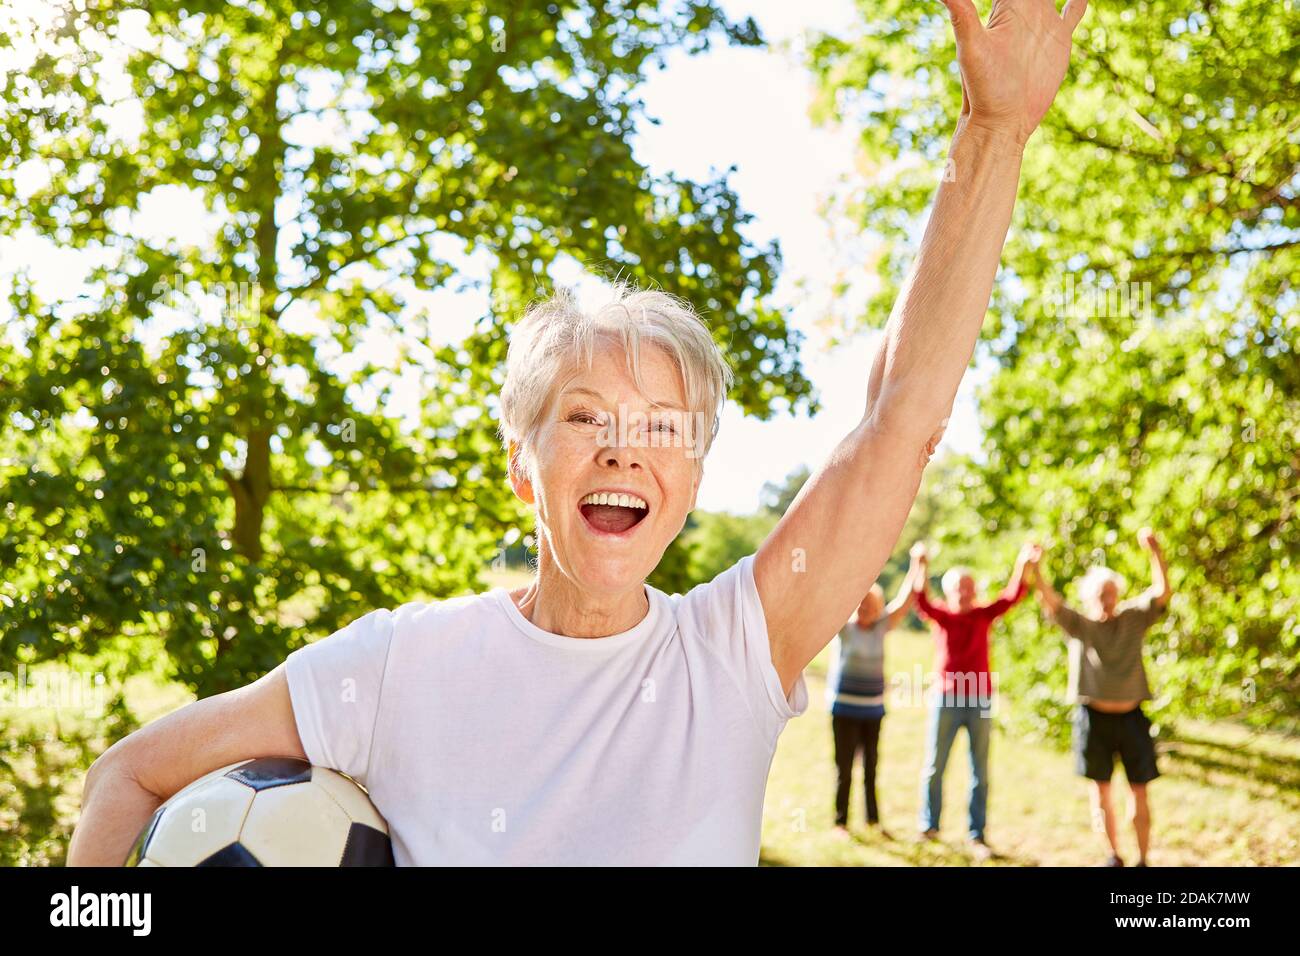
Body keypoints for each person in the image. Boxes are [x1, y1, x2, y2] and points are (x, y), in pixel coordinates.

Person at [66, 0, 1091, 866]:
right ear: (523, 465)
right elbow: (130, 773)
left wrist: (992, 132)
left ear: (691, 478)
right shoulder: (395, 666)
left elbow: (899, 417)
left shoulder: (735, 650)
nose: (623, 447)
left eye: (660, 424)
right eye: (586, 417)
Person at [1033, 528, 1171, 867]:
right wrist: (1035, 569)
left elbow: (1162, 592)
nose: (1105, 600)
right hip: (1094, 717)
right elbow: (1050, 600)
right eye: (1099, 594)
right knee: (1101, 791)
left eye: (1110, 593)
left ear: (1118, 594)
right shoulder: (1079, 624)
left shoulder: (1134, 618)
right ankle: (1113, 855)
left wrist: (1155, 552)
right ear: (1088, 597)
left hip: (1131, 717)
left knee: (1139, 789)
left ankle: (1142, 859)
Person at [911, 541, 1039, 857]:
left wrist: (1023, 563)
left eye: (969, 587)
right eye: (958, 587)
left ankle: (976, 834)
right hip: (946, 699)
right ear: (950, 590)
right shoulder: (942, 616)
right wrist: (921, 563)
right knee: (935, 765)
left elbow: (1013, 595)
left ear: (975, 590)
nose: (964, 593)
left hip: (979, 699)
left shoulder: (984, 614)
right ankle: (929, 826)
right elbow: (920, 599)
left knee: (979, 770)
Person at [826, 555, 921, 835]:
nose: (865, 608)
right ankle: (840, 822)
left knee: (871, 768)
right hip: (843, 709)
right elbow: (833, 592)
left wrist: (917, 565)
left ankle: (873, 821)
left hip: (872, 710)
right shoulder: (843, 628)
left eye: (871, 604)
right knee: (844, 769)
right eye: (861, 603)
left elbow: (905, 601)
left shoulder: (882, 627)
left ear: (879, 608)